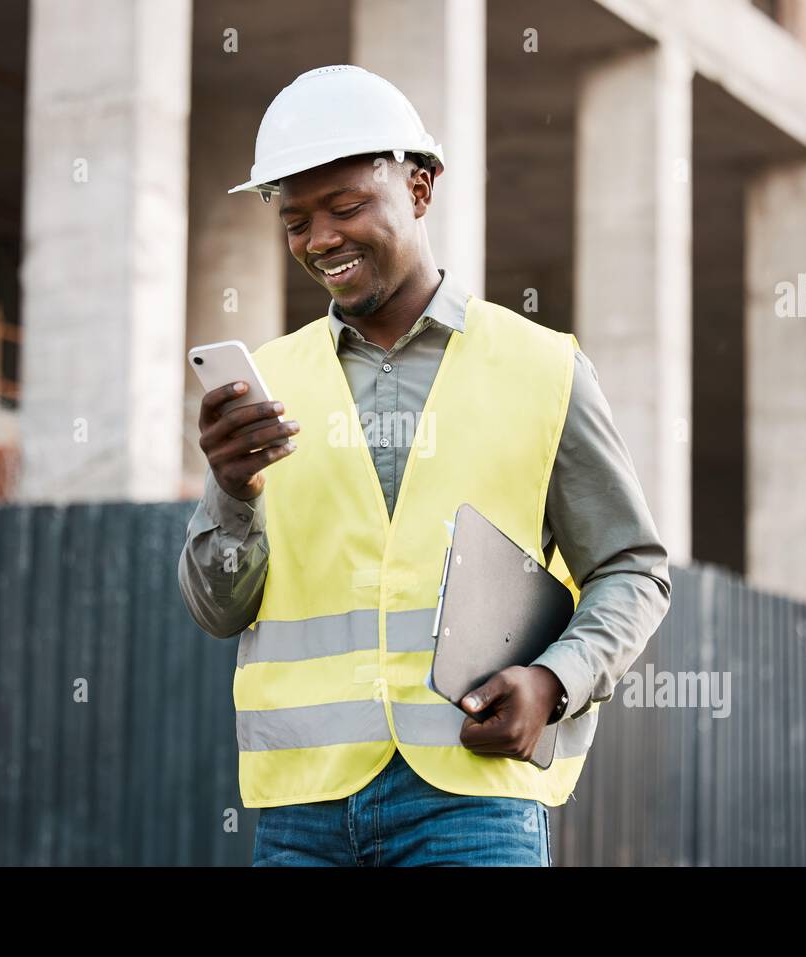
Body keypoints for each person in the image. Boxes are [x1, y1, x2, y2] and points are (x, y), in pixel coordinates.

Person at [179, 65, 670, 866]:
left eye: (346, 207)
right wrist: (233, 493)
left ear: (420, 186)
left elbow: (633, 569)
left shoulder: (542, 367)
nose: (322, 239)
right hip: (303, 809)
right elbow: (217, 609)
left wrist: (553, 682)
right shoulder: (268, 382)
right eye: (297, 221)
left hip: (471, 801)